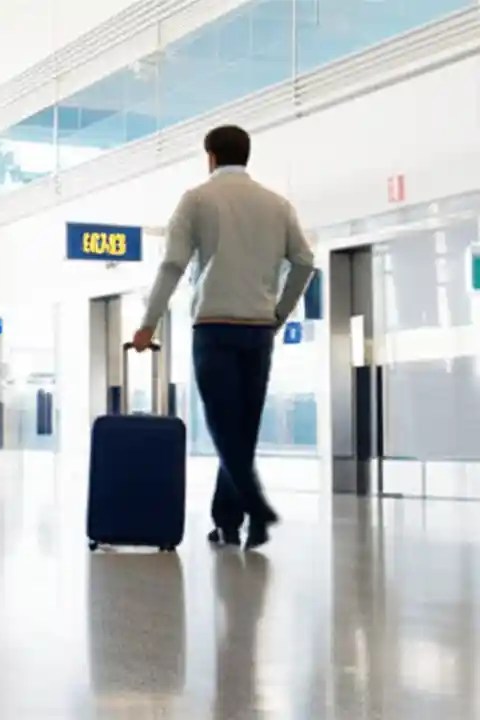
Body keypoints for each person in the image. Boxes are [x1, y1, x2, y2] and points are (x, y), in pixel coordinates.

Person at [131, 125, 315, 550]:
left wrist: (148, 324)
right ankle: (232, 520)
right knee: (242, 428)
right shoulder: (278, 205)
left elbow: (173, 265)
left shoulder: (197, 199)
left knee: (227, 428)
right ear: (245, 155)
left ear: (210, 155)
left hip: (214, 327)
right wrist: (279, 313)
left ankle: (234, 520)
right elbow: (304, 263)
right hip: (257, 330)